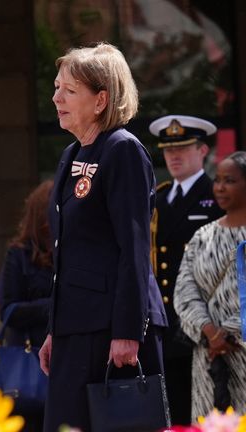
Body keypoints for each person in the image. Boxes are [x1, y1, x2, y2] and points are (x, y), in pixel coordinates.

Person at [38, 43, 167, 431]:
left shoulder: (122, 151)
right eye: (57, 87)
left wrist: (128, 332)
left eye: (69, 90)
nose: (56, 97)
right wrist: (54, 328)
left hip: (113, 330)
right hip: (76, 327)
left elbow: (133, 247)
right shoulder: (72, 153)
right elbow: (69, 253)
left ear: (101, 100)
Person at [148, 114, 224, 424]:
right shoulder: (159, 198)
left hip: (207, 322)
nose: (174, 156)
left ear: (203, 151)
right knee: (175, 412)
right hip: (168, 324)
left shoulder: (217, 195)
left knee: (211, 410)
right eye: (168, 150)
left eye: (183, 148)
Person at [174, 151, 246, 420]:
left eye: (230, 180)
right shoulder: (203, 236)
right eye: (217, 180)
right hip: (209, 359)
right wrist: (210, 332)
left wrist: (227, 332)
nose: (220, 187)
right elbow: (184, 291)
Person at [0, 179, 54, 431]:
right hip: (30, 361)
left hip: (68, 360)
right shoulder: (18, 255)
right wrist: (54, 306)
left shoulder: (74, 252)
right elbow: (8, 310)